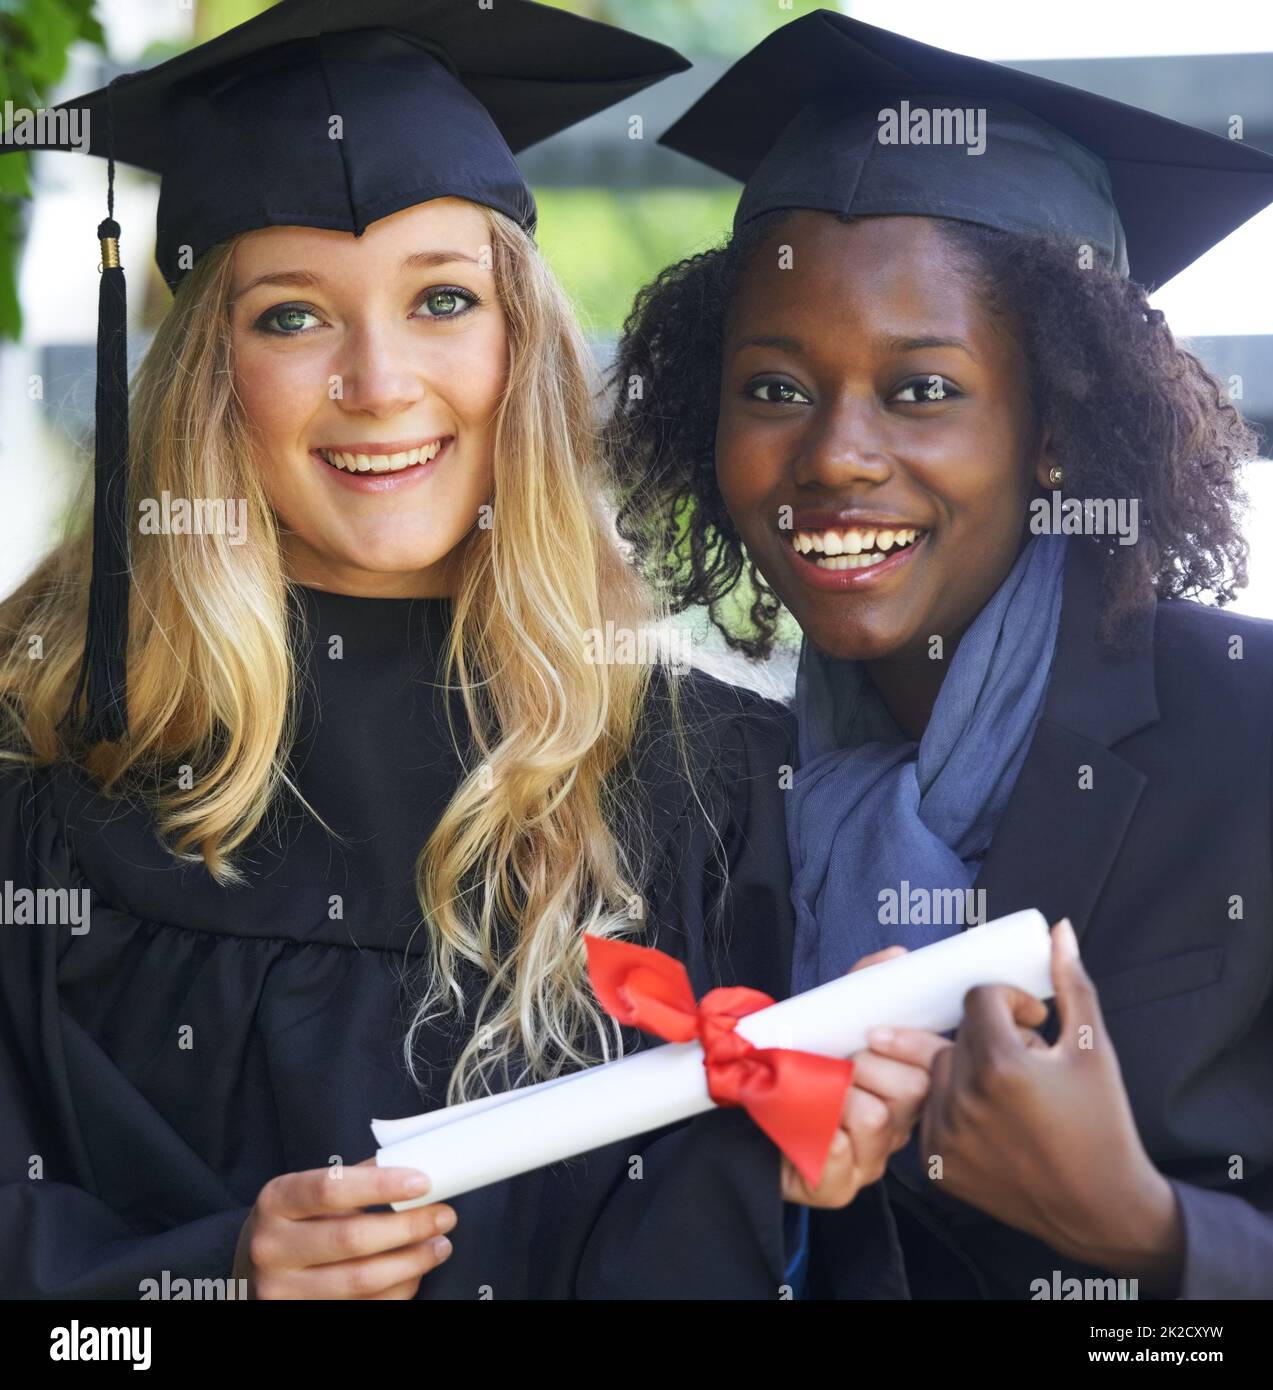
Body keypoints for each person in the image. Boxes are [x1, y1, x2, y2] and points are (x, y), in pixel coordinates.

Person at [0, 0, 940, 1301]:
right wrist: (209, 1282)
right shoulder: (47, 793)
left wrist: (801, 1170)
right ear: (208, 374)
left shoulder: (719, 788)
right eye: (291, 318)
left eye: (443, 298)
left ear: (524, 346)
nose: (379, 380)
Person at [609, 9, 1273, 1299]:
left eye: (924, 391)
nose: (839, 455)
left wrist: (1144, 1227)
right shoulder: (686, 790)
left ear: (1058, 429)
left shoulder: (1250, 738)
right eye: (777, 388)